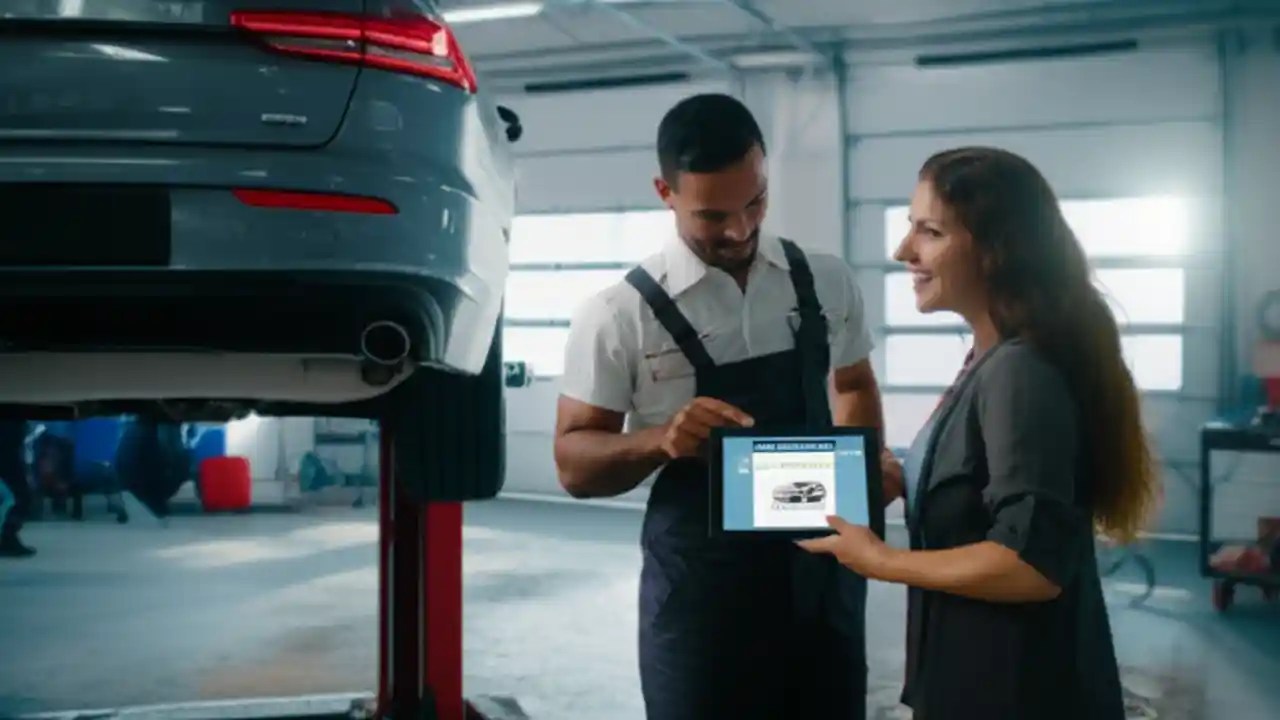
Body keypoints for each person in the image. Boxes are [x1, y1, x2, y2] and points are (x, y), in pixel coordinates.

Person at [554, 92, 898, 720]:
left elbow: (851, 386)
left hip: (824, 584)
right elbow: (574, 463)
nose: (739, 230)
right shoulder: (617, 314)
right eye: (713, 215)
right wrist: (658, 440)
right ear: (666, 191)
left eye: (755, 202)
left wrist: (864, 475)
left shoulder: (824, 280)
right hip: (701, 599)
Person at [799, 146, 1159, 720]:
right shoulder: (987, 358)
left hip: (1018, 691)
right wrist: (904, 476)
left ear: (996, 251)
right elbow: (977, 485)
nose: (903, 252)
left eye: (931, 232)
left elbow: (1029, 564)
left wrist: (879, 560)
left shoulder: (1020, 371)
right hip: (973, 676)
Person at [0, 419, 36, 558]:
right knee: (22, 496)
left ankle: (8, 536)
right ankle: (8, 536)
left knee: (21, 495)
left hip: (9, 447)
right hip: (8, 449)